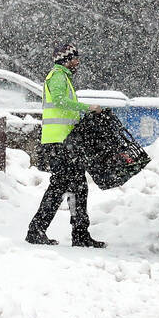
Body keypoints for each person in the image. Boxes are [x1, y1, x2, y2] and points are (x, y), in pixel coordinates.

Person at [26, 43, 106, 248]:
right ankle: (38, 231)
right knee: (61, 187)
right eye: (74, 58)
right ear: (65, 60)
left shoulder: (64, 77)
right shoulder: (58, 77)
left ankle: (78, 234)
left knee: (77, 187)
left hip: (66, 142)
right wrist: (87, 108)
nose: (77, 61)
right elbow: (61, 102)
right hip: (59, 143)